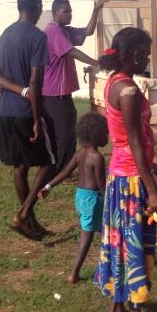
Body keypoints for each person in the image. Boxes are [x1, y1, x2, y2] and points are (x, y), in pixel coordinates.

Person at [95, 27, 157, 312]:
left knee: (118, 240)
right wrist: (152, 189)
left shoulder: (113, 81)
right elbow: (134, 142)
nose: (147, 59)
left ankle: (117, 306)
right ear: (134, 55)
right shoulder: (129, 91)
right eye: (146, 54)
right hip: (132, 181)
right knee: (134, 243)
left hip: (119, 177)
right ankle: (135, 309)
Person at [0, 0, 56, 241]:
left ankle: (30, 222)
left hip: (6, 111)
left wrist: (19, 90)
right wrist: (37, 116)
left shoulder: (4, 35)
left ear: (19, 7)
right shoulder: (37, 37)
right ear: (38, 8)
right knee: (50, 163)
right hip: (27, 112)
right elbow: (36, 81)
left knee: (20, 166)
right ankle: (24, 213)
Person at [39, 112, 108, 283]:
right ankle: (75, 272)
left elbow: (65, 172)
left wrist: (48, 186)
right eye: (105, 132)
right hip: (94, 199)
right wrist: (111, 201)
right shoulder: (97, 157)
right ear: (97, 135)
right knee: (90, 232)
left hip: (80, 197)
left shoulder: (80, 153)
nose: (108, 136)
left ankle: (108, 263)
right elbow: (102, 185)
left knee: (101, 229)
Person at [43, 0, 104, 176]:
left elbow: (88, 31)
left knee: (68, 132)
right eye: (65, 11)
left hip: (63, 93)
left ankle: (63, 169)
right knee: (64, 134)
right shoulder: (53, 31)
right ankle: (61, 171)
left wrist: (96, 10)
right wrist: (97, 63)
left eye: (70, 11)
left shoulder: (64, 30)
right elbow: (72, 51)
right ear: (55, 13)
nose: (69, 14)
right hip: (55, 93)